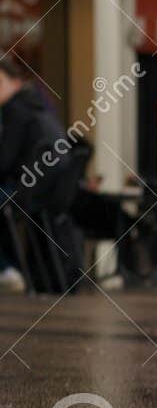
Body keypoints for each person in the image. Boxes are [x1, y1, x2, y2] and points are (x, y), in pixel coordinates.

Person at [0, 52, 82, 292]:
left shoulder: (16, 109)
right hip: (46, 192)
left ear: (15, 82)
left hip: (28, 192)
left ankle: (6, 269)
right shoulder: (39, 106)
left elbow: (5, 160)